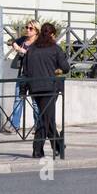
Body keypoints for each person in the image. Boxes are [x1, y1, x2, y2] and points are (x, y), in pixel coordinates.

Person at [20, 22, 70, 158]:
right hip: (50, 88)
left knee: (46, 118)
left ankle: (56, 147)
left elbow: (25, 72)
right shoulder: (55, 49)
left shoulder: (31, 50)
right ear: (52, 34)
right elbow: (65, 67)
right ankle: (39, 149)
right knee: (45, 119)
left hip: (35, 88)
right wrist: (57, 68)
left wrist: (22, 91)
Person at [8, 20, 41, 131]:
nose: (27, 30)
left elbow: (38, 55)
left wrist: (24, 51)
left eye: (31, 28)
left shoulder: (39, 42)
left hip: (35, 75)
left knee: (35, 102)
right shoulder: (23, 39)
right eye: (27, 27)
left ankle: (38, 126)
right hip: (22, 74)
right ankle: (14, 125)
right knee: (18, 99)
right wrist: (17, 47)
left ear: (36, 30)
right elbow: (13, 42)